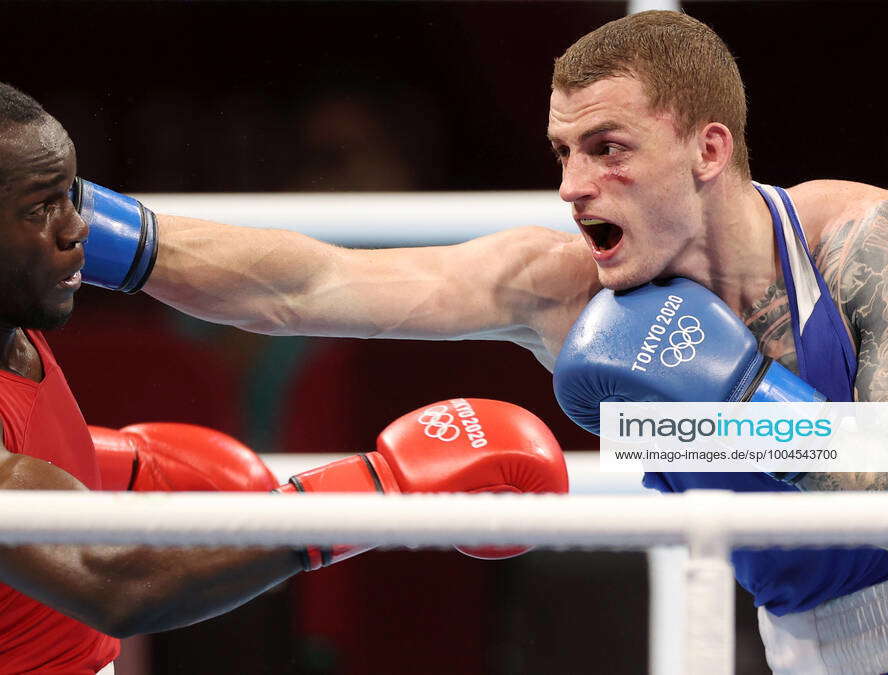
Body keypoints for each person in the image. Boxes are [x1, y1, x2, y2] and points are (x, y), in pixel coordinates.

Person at [42, 9, 888, 673]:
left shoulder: (876, 246)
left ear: (710, 149)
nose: (574, 185)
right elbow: (307, 284)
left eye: (608, 148)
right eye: (563, 152)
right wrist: (84, 225)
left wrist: (748, 404)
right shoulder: (566, 293)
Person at [0, 80, 570, 674]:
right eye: (43, 207)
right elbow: (109, 580)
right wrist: (377, 489)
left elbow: (296, 285)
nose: (77, 229)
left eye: (74, 197)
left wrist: (105, 461)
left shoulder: (18, 306)